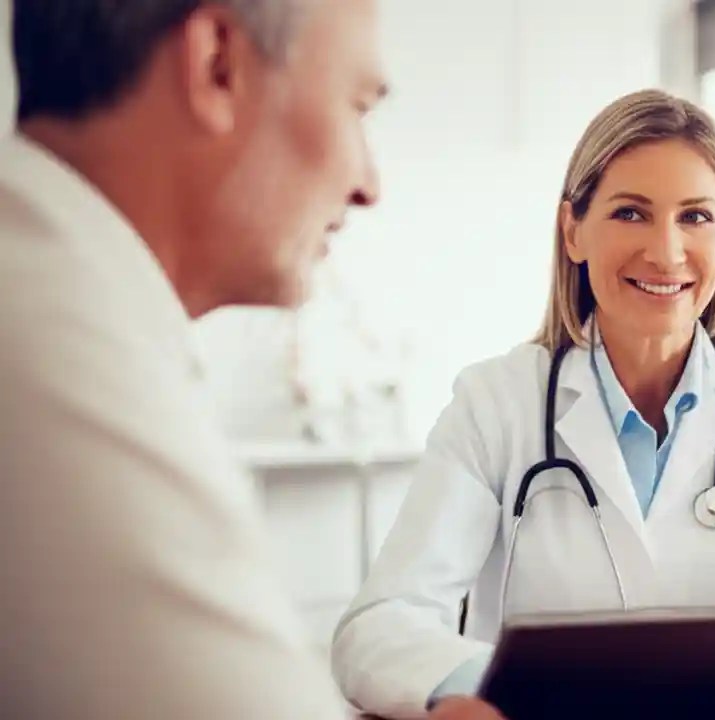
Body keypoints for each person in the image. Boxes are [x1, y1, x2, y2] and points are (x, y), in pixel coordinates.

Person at [332, 89, 715, 719]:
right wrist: (504, 685)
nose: (666, 252)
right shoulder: (494, 403)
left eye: (696, 216)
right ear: (574, 231)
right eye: (630, 213)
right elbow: (379, 626)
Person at [0, 1, 501, 717]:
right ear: (218, 66)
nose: (369, 183)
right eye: (358, 106)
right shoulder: (53, 347)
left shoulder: (75, 298)